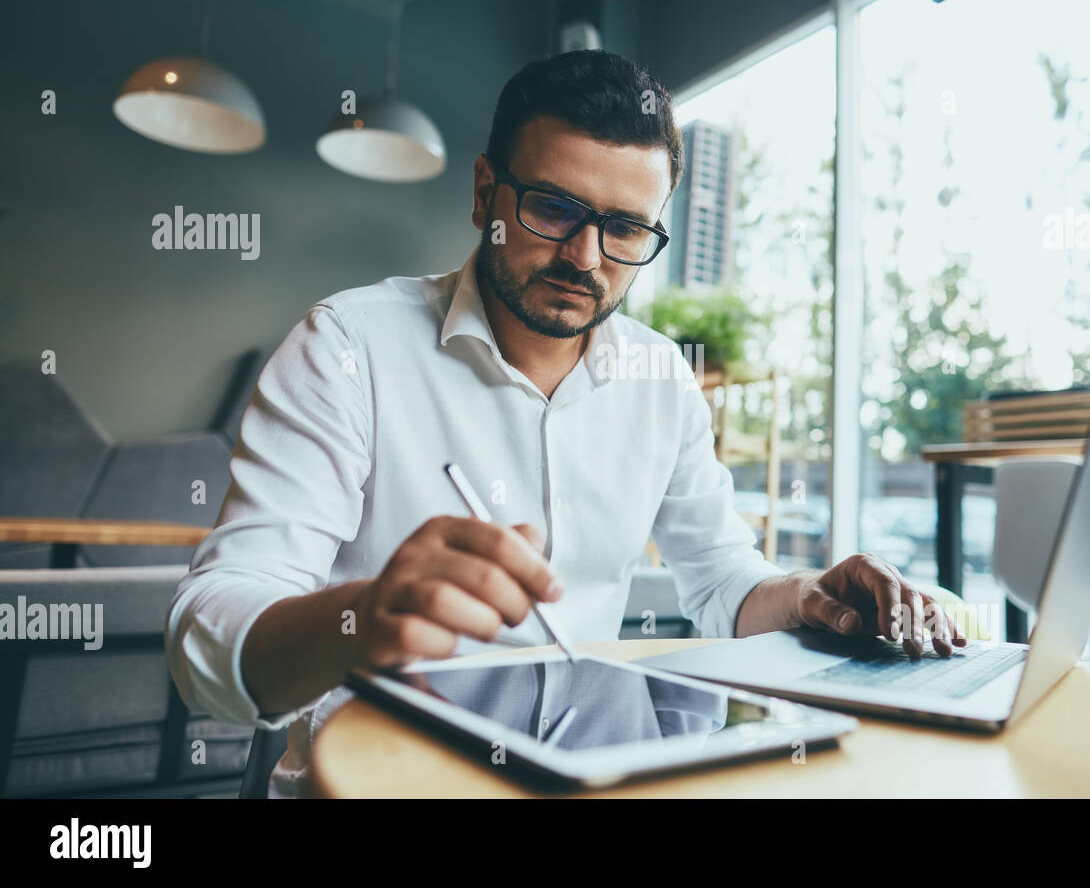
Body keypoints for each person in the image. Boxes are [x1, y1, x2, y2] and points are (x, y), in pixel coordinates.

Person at [165, 49, 964, 798]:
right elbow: (208, 630)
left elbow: (721, 578)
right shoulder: (349, 346)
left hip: (593, 777)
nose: (587, 257)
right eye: (554, 208)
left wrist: (809, 595)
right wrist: (361, 619)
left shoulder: (663, 381)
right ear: (486, 194)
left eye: (625, 229)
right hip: (386, 777)